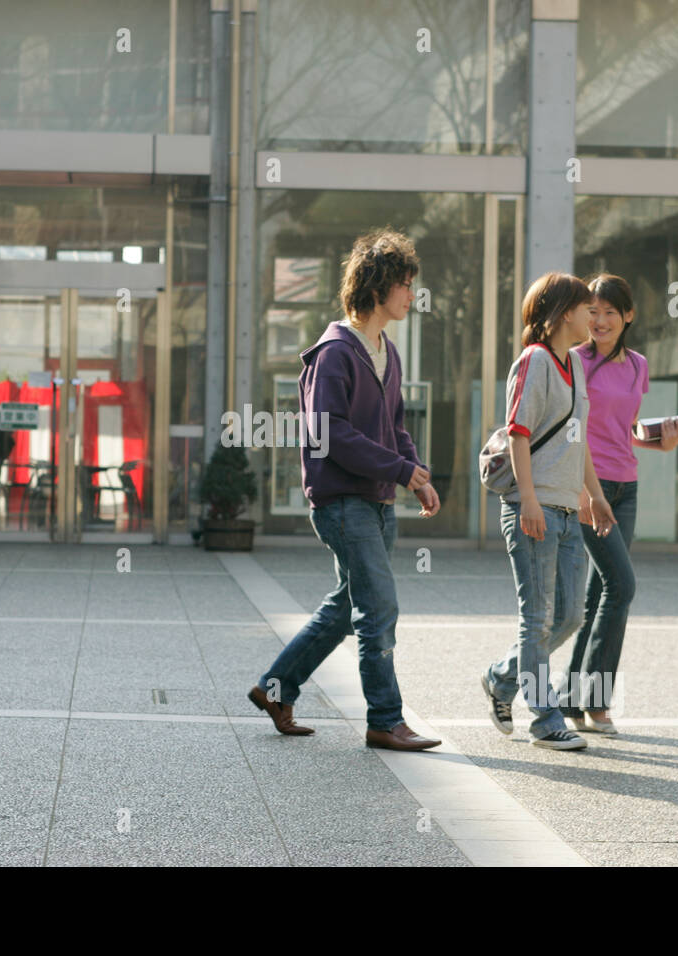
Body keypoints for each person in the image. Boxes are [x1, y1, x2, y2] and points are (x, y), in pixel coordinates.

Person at [249, 227, 442, 752]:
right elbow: (330, 433)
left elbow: (396, 425)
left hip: (378, 500)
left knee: (345, 607)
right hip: (341, 502)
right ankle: (385, 719)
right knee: (378, 609)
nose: (411, 294)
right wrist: (401, 471)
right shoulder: (334, 353)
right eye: (404, 284)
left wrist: (414, 472)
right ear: (377, 286)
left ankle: (276, 688)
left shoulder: (387, 352)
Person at [480, 272, 616, 751]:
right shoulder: (533, 362)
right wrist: (530, 499)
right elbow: (519, 432)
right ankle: (544, 719)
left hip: (566, 509)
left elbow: (577, 441)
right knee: (536, 619)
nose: (591, 318)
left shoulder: (575, 367)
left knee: (570, 617)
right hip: (532, 508)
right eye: (585, 309)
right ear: (562, 313)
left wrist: (594, 494)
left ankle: (501, 677)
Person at [555, 274, 678, 735]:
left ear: (628, 316)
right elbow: (572, 432)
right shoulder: (573, 361)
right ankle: (592, 701)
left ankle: (572, 701)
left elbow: (626, 429)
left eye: (610, 312)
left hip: (625, 488)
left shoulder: (637, 365)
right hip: (588, 489)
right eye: (592, 311)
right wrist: (586, 493)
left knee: (600, 596)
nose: (599, 320)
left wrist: (663, 443)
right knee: (622, 586)